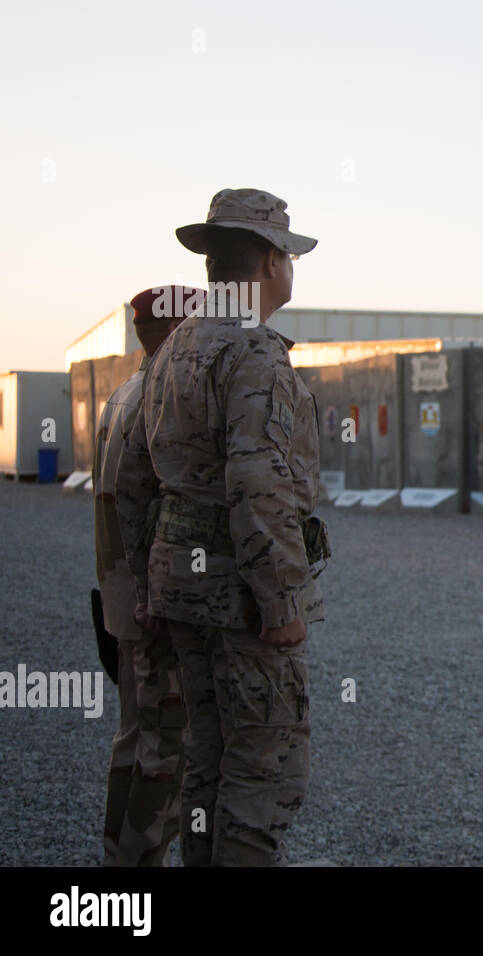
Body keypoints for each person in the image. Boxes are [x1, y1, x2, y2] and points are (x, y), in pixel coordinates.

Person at [118, 188, 326, 866]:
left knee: (206, 761)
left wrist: (149, 585)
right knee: (262, 775)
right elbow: (258, 483)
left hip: (181, 591)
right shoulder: (255, 352)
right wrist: (281, 600)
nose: (290, 268)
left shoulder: (174, 348)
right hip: (240, 598)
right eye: (287, 256)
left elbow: (144, 475)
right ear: (270, 263)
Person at [96, 285, 200, 866]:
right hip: (153, 607)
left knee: (135, 740)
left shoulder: (123, 393)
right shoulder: (163, 400)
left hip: (122, 604)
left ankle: (117, 863)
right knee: (165, 755)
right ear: (178, 333)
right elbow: (159, 512)